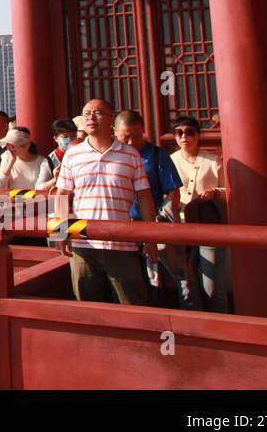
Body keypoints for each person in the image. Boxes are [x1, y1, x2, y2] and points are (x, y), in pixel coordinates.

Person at [54, 98, 157, 305]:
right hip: (83, 243)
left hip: (121, 242)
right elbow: (62, 194)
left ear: (111, 119)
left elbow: (144, 195)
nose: (90, 117)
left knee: (132, 304)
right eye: (86, 113)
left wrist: (151, 236)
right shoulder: (73, 155)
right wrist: (60, 231)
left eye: (98, 113)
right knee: (88, 306)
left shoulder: (130, 155)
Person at [115, 109, 188, 308]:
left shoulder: (156, 154)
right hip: (120, 229)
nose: (131, 143)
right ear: (115, 133)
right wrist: (60, 235)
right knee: (128, 281)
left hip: (152, 226)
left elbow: (173, 191)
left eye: (136, 136)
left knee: (166, 278)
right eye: (125, 137)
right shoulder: (111, 157)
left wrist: (162, 218)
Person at [170, 115, 230, 313]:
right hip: (180, 227)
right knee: (186, 285)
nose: (184, 137)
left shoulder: (213, 160)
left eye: (189, 132)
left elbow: (227, 190)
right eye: (179, 133)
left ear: (198, 135)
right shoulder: (170, 162)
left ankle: (222, 326)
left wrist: (215, 193)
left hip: (208, 223)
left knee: (212, 285)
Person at [39, 118, 77, 191]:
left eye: (72, 136)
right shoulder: (49, 160)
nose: (69, 139)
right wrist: (55, 179)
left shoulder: (83, 155)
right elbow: (39, 187)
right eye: (65, 137)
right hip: (61, 199)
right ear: (55, 139)